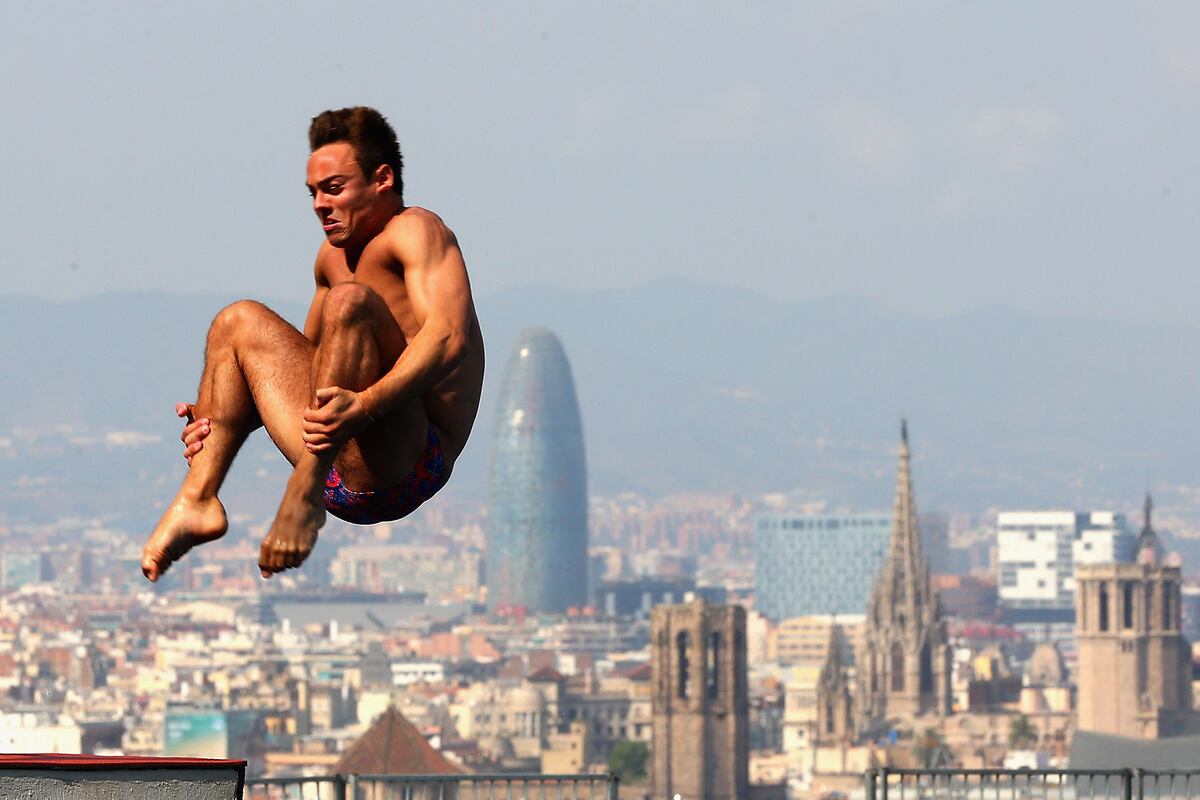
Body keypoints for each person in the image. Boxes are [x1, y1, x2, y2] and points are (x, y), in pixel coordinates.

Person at [141, 106, 484, 581]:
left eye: (334, 188)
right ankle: (198, 499)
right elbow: (318, 373)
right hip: (338, 465)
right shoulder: (330, 259)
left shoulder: (417, 231)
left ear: (381, 179)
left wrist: (363, 406)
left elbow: (449, 339)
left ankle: (302, 493)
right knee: (235, 321)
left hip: (408, 463)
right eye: (314, 193)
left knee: (349, 304)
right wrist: (217, 415)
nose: (320, 204)